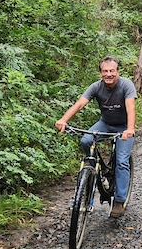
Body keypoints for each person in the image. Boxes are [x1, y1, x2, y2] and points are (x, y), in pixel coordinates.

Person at [55, 56, 137, 218]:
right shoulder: (96, 87)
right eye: (105, 71)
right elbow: (79, 104)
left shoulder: (126, 85)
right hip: (105, 123)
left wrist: (130, 129)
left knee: (121, 162)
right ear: (100, 73)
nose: (109, 74)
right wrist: (64, 120)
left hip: (123, 127)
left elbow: (130, 107)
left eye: (112, 71)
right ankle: (91, 169)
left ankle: (119, 200)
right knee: (86, 140)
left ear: (117, 72)